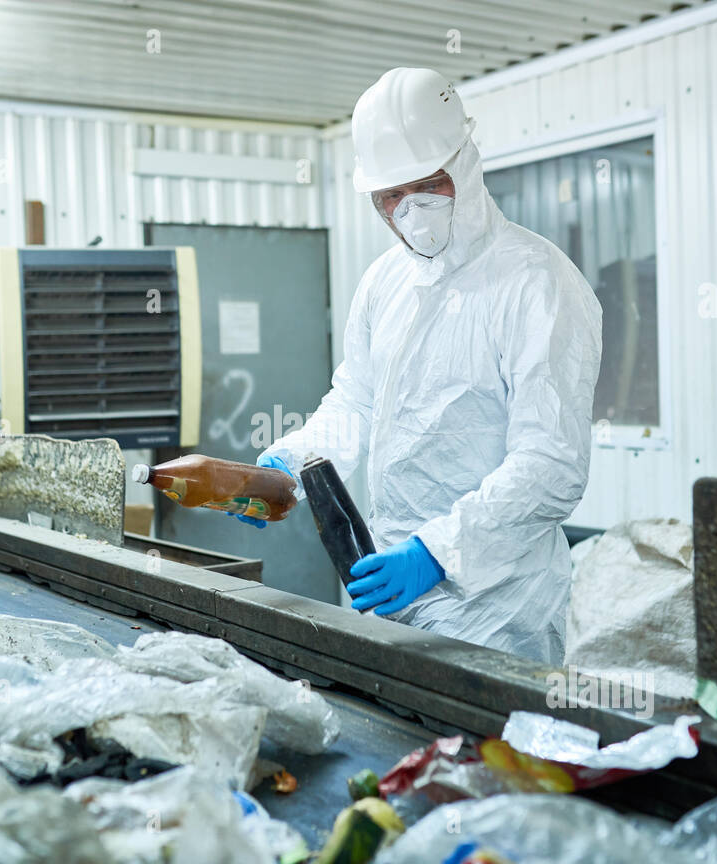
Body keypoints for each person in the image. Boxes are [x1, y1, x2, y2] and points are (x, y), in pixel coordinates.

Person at [235, 67, 602, 664]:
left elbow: (550, 463)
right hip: (393, 600)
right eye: (390, 197)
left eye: (428, 185)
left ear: (466, 162)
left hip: (502, 611)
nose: (412, 211)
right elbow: (356, 403)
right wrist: (290, 467)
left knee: (490, 758)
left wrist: (437, 551)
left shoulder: (538, 283)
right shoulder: (385, 283)